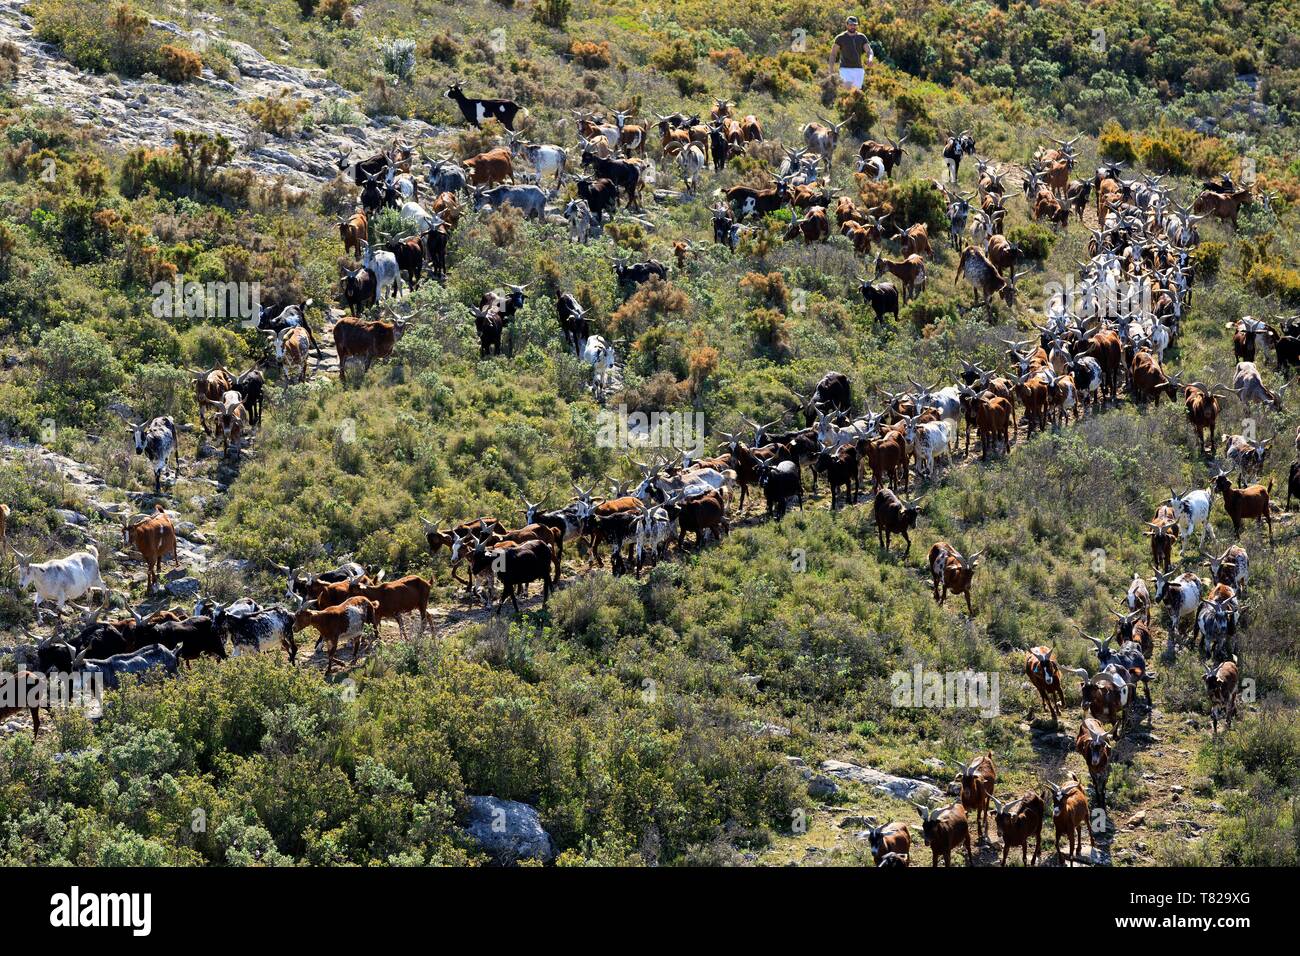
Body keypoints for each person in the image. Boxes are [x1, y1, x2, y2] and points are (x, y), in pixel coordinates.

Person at [829, 16, 872, 90]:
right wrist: (831, 69)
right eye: (851, 25)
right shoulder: (840, 38)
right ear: (846, 25)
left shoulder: (862, 37)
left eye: (855, 25)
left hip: (858, 70)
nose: (853, 27)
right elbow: (833, 54)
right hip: (845, 69)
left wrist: (870, 58)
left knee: (856, 93)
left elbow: (869, 51)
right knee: (847, 89)